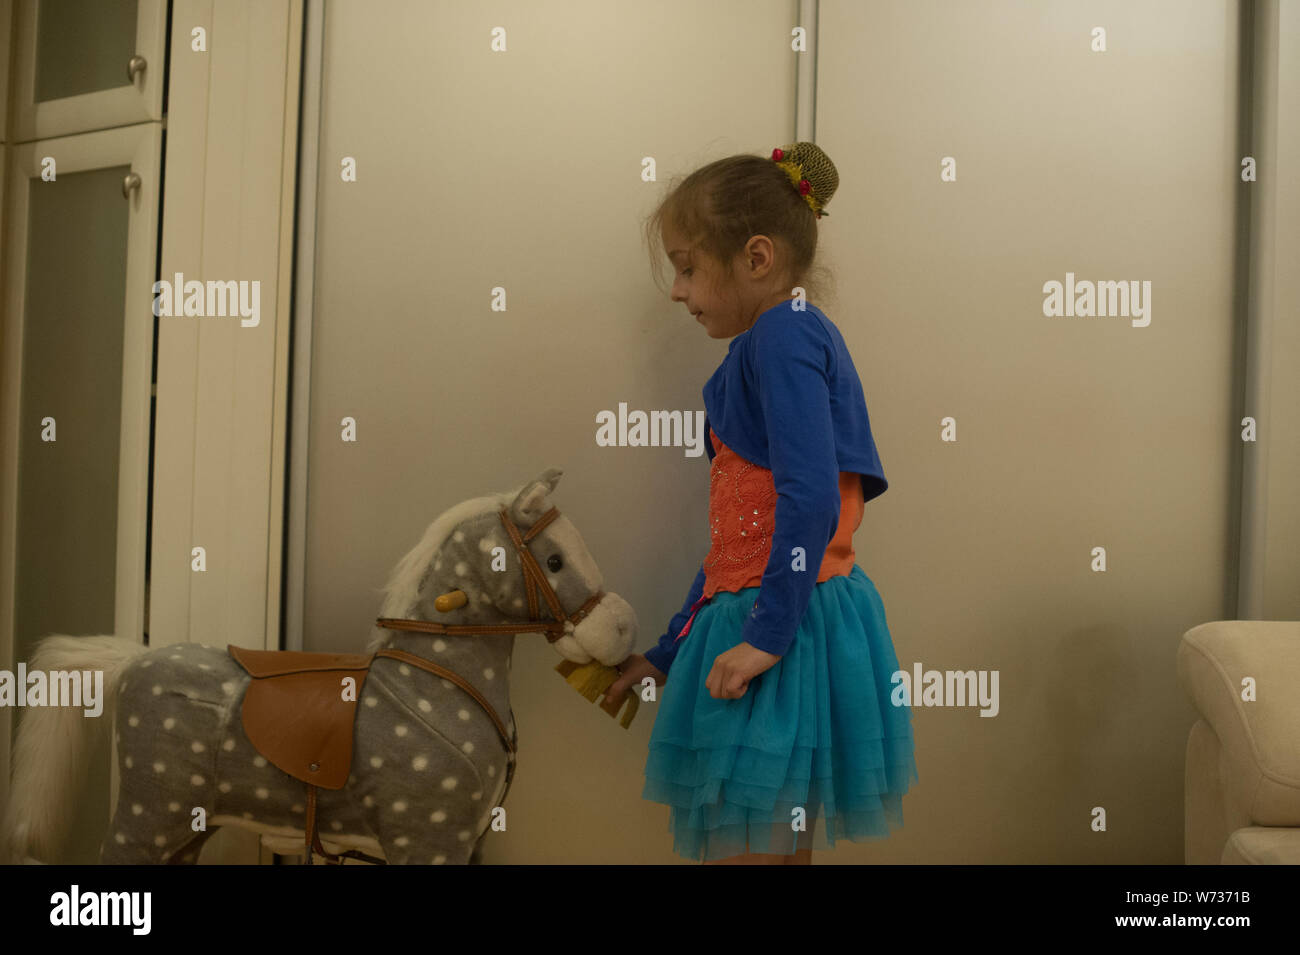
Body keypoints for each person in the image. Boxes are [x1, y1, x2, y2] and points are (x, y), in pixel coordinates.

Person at [605, 142, 918, 865]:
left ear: (756, 258)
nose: (678, 292)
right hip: (776, 616)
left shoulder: (783, 333)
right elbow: (737, 541)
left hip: (783, 629)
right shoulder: (773, 342)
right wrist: (670, 647)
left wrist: (769, 636)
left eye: (687, 267)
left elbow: (810, 498)